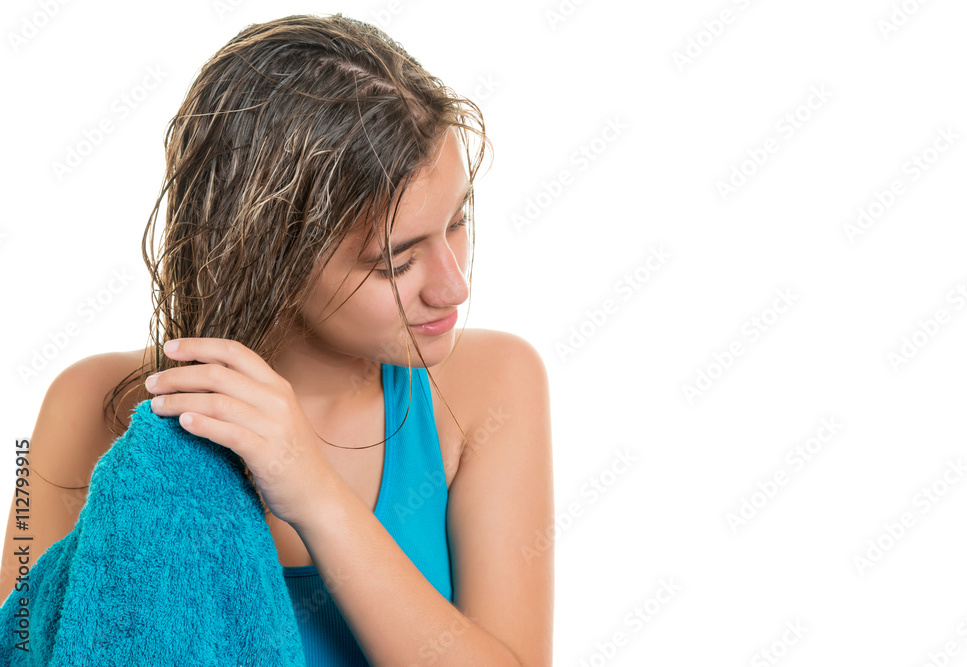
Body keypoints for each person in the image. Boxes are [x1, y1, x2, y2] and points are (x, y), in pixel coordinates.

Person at [0, 13, 553, 666]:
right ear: (273, 259)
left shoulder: (491, 384)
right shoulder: (94, 402)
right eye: (396, 262)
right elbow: (22, 642)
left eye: (457, 222)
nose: (453, 285)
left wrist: (314, 492)